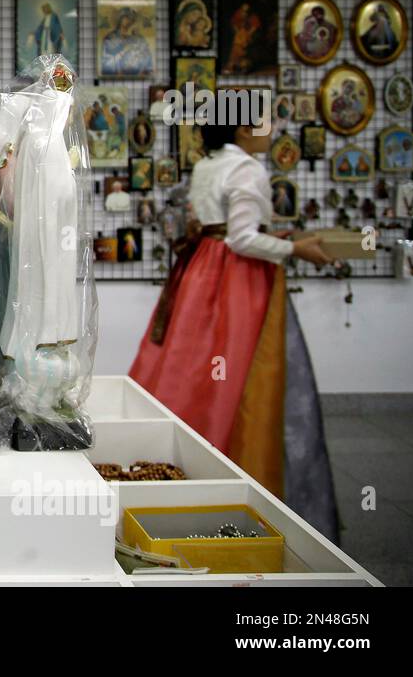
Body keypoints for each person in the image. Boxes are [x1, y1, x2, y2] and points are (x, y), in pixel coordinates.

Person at [129, 111, 340, 540]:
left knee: (192, 364)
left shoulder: (207, 165)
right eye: (264, 123)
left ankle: (181, 464)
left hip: (201, 272)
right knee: (243, 373)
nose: (272, 131)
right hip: (237, 282)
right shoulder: (246, 168)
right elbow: (243, 238)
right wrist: (294, 247)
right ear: (243, 129)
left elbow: (220, 228)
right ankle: (238, 463)